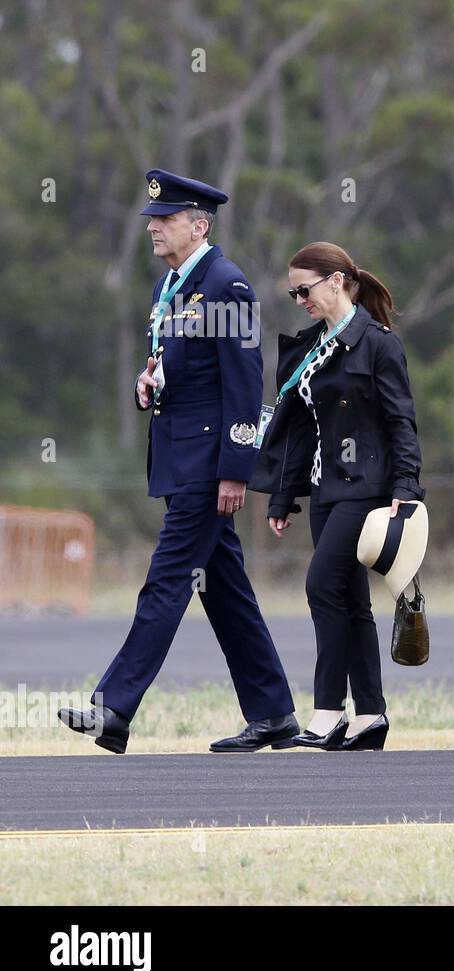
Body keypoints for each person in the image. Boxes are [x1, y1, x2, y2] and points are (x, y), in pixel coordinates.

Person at [57, 169, 297, 754]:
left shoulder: (227, 285)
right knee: (223, 589)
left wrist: (237, 469)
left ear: (199, 224)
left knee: (166, 582)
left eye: (164, 221)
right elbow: (183, 371)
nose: (154, 229)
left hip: (208, 467)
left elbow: (244, 385)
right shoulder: (174, 287)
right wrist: (149, 384)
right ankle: (274, 715)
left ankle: (112, 709)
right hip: (180, 457)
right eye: (152, 221)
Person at [249, 242, 423, 752]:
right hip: (326, 490)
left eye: (305, 288)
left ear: (336, 281)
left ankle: (328, 712)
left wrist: (406, 489)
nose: (299, 298)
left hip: (366, 490)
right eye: (293, 291)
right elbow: (301, 429)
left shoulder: (379, 343)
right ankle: (371, 715)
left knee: (321, 585)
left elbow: (401, 422)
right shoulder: (310, 347)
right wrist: (283, 497)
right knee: (351, 601)